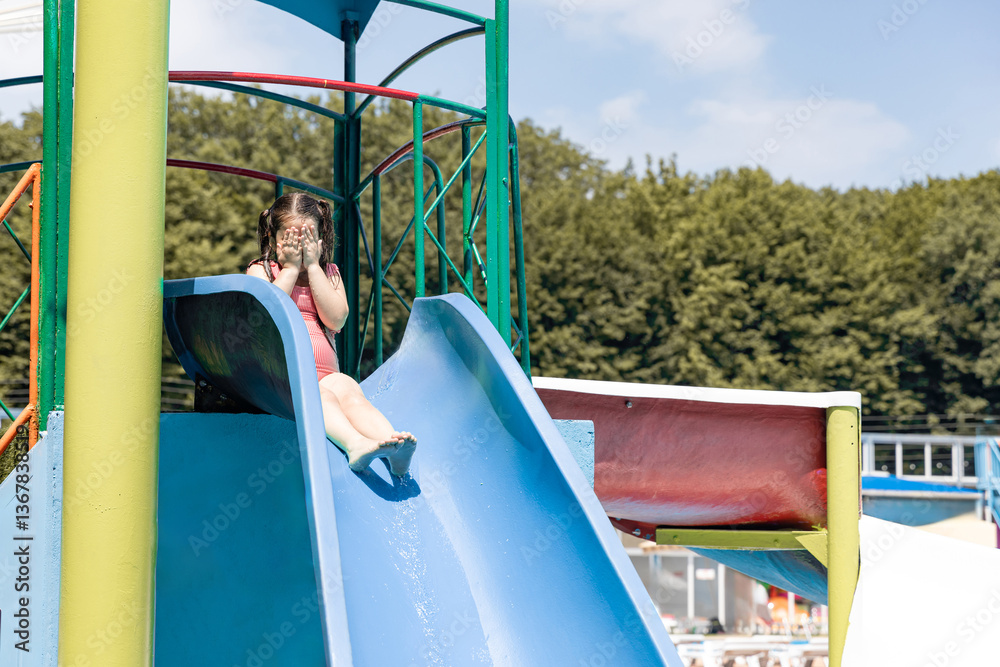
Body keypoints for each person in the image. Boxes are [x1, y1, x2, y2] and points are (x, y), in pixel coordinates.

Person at [247, 193, 416, 476]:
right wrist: (289, 269)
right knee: (321, 395)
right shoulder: (262, 270)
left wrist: (313, 267)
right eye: (292, 238)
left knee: (349, 389)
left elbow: (336, 319)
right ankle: (355, 444)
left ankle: (392, 445)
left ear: (320, 237)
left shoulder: (329, 273)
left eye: (308, 238)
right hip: (282, 377)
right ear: (272, 236)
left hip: (326, 374)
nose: (300, 247)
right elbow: (266, 318)